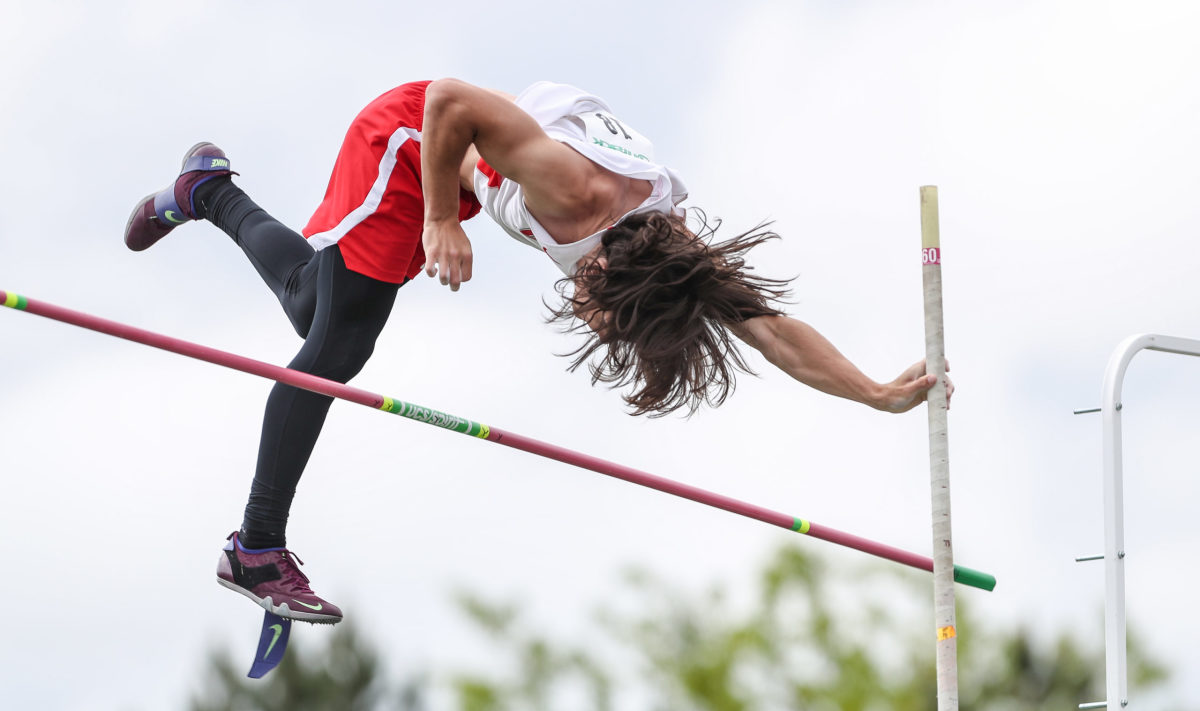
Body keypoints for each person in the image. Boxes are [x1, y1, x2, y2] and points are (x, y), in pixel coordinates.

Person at [124, 78, 951, 625]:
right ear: (603, 264)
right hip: (413, 143)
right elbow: (449, 101)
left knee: (317, 303)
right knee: (334, 343)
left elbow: (772, 333)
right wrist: (442, 217)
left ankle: (208, 191)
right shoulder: (570, 188)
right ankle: (254, 548)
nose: (589, 319)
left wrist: (875, 392)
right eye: (603, 314)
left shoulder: (670, 253)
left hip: (456, 176)